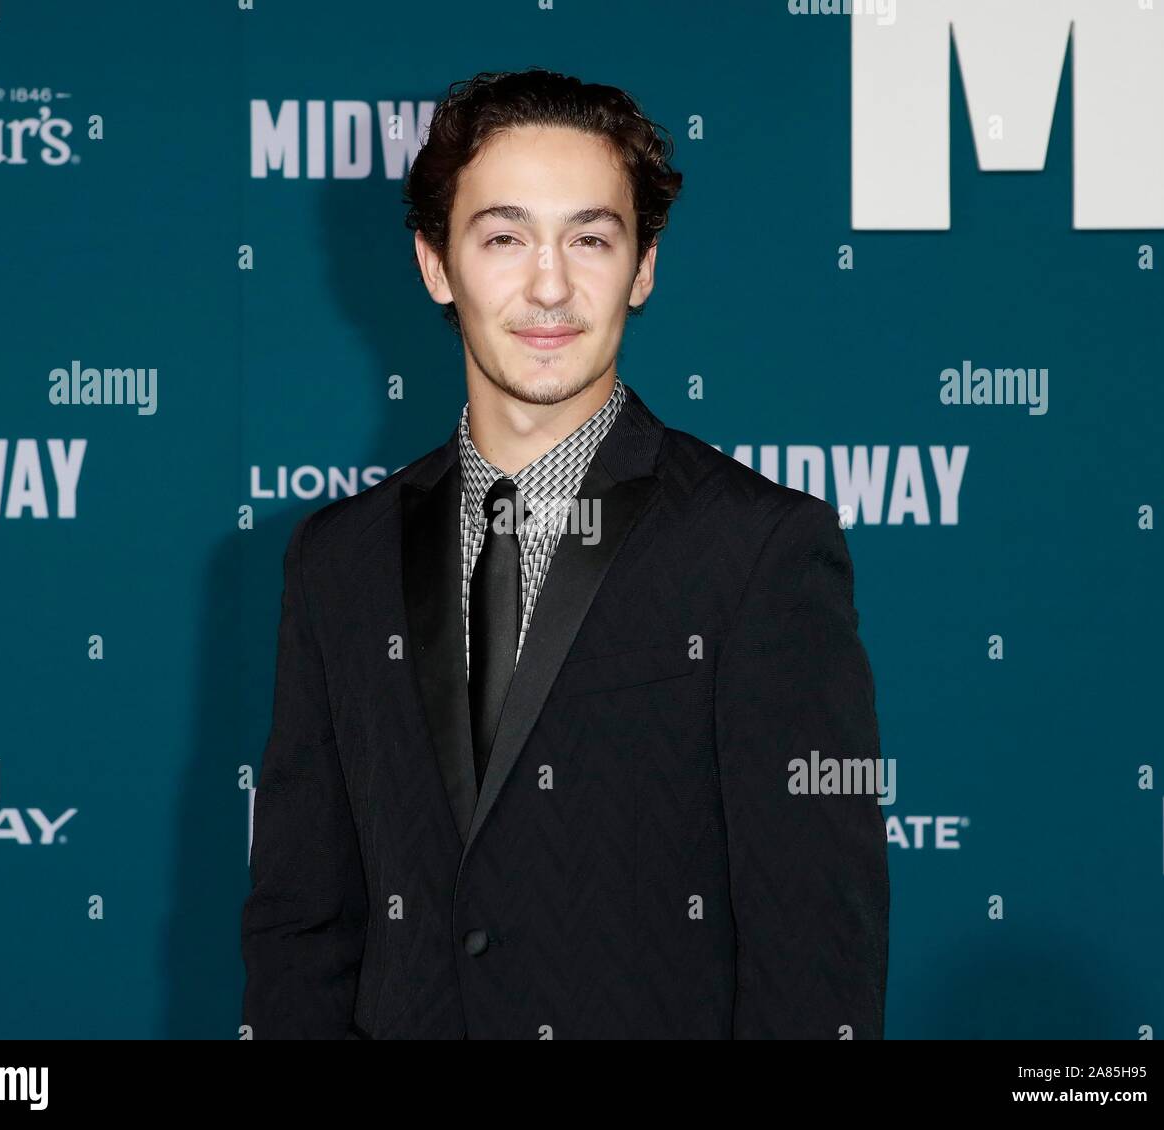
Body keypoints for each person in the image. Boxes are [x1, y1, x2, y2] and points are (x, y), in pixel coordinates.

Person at [241, 67, 888, 1039]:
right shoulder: (340, 559)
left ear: (642, 268)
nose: (550, 284)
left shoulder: (757, 548)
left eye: (590, 238)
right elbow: (302, 915)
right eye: (503, 237)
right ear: (433, 263)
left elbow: (816, 941)